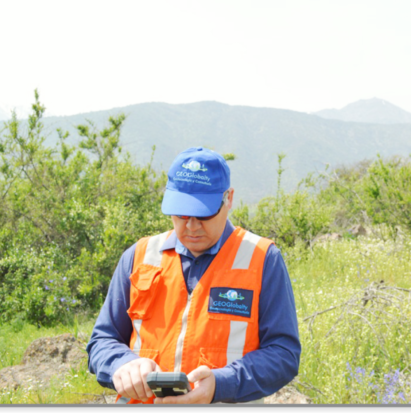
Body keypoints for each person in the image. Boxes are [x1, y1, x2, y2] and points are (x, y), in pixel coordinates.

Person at [86, 147, 300, 404]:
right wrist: (122, 365)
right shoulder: (138, 256)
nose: (191, 226)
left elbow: (283, 354)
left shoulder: (263, 259)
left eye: (203, 214)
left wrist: (221, 383)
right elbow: (102, 340)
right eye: (181, 214)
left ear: (228, 199)